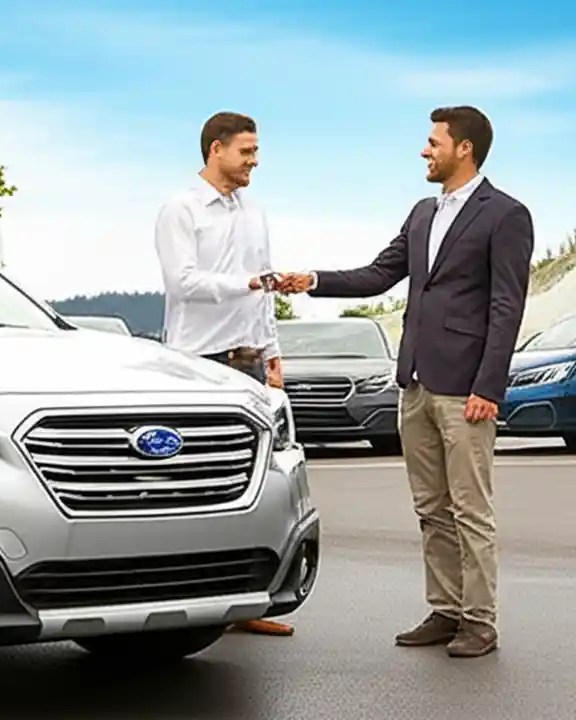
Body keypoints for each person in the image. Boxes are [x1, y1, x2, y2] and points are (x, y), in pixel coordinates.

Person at [276, 106, 533, 658]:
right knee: (431, 508)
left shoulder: (506, 215)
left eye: (434, 142)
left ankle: (479, 621)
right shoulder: (422, 213)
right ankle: (445, 610)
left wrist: (488, 387)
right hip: (414, 384)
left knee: (470, 510)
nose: (424, 150)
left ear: (464, 148)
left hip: (464, 388)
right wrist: (312, 280)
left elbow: (507, 305)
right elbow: (378, 274)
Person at [153, 110, 293, 637]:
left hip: (249, 362)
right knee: (189, 486)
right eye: (246, 151)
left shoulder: (254, 211)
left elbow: (267, 285)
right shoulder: (181, 208)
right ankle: (178, 596)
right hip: (196, 363)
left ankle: (241, 603)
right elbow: (182, 282)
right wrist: (247, 283)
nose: (255, 161)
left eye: (256, 151)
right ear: (216, 149)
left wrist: (272, 350)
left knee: (248, 484)